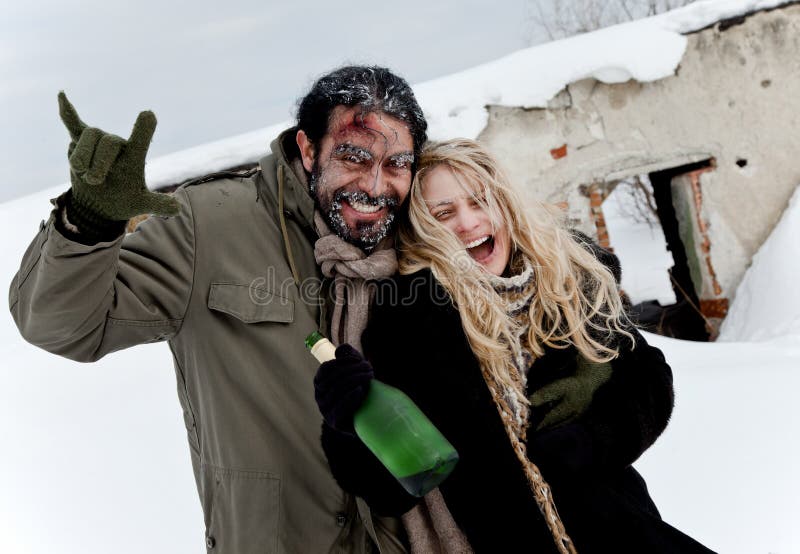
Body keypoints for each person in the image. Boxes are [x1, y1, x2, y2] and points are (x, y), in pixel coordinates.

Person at [9, 66, 428, 553]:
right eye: (354, 156)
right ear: (309, 149)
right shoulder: (208, 224)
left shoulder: (421, 233)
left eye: (396, 163)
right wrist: (88, 222)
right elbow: (63, 326)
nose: (376, 186)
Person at [315, 139, 716, 553]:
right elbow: (395, 491)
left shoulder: (568, 279)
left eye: (480, 201)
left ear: (504, 205)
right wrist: (347, 424)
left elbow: (647, 379)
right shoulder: (412, 326)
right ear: (424, 231)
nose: (469, 223)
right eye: (444, 213)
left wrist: (591, 441)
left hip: (627, 529)